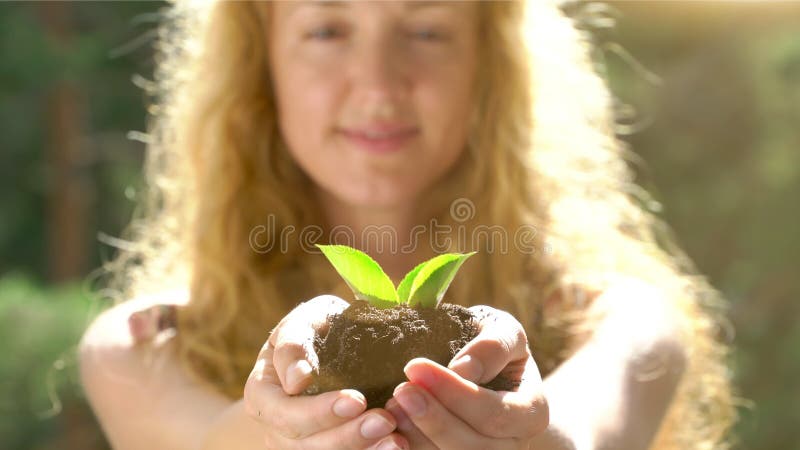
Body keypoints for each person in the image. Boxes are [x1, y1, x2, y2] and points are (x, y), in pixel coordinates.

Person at [78, 1, 737, 449]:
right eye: (327, 30)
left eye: (427, 29)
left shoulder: (615, 319)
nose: (378, 84)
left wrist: (529, 432)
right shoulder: (145, 350)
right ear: (261, 64)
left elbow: (591, 426)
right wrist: (286, 412)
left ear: (489, 61)